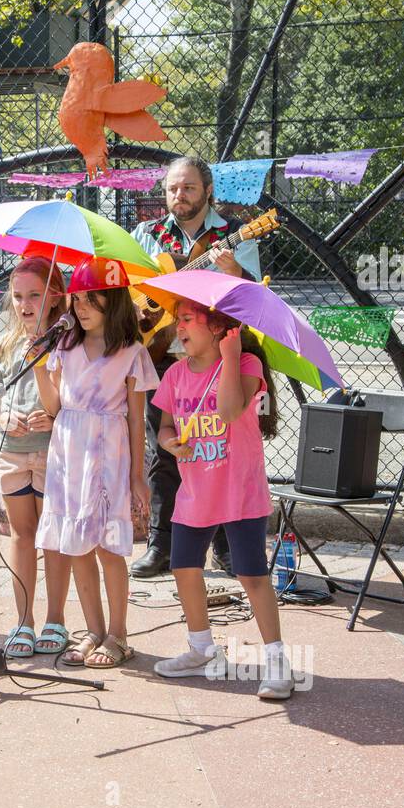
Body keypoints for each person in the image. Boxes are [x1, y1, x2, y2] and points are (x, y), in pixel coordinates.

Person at [150, 298, 295, 699]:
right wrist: (171, 444)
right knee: (183, 567)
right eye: (177, 321)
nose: (178, 328)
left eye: (186, 320)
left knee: (251, 575)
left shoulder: (247, 365)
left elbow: (231, 411)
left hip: (239, 490)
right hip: (195, 491)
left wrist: (231, 356)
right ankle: (201, 650)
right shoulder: (176, 374)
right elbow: (164, 426)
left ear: (216, 327)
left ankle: (277, 660)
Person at [128, 156, 262, 579]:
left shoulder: (234, 237)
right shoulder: (146, 235)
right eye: (171, 188)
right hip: (161, 357)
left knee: (221, 453)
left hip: (219, 358)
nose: (178, 196)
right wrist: (139, 312)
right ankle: (161, 546)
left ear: (207, 189)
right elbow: (127, 290)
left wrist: (235, 272)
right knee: (164, 452)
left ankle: (226, 549)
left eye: (187, 187)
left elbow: (257, 301)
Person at [33, 259, 156, 668]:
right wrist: (38, 366)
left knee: (107, 547)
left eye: (92, 298)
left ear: (114, 300)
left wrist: (138, 476)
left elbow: (137, 420)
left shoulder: (133, 353)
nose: (81, 307)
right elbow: (54, 406)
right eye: (77, 299)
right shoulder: (64, 349)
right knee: (77, 545)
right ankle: (93, 630)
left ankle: (118, 635)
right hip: (68, 453)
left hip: (109, 454)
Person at [0, 257, 70, 657]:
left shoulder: (67, 341)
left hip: (53, 452)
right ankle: (24, 621)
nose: (25, 304)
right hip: (13, 453)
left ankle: (55, 619)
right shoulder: (5, 345)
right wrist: (2, 414)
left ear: (54, 297)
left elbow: (74, 397)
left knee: (52, 535)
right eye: (17, 296)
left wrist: (53, 412)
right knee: (21, 534)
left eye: (34, 295)